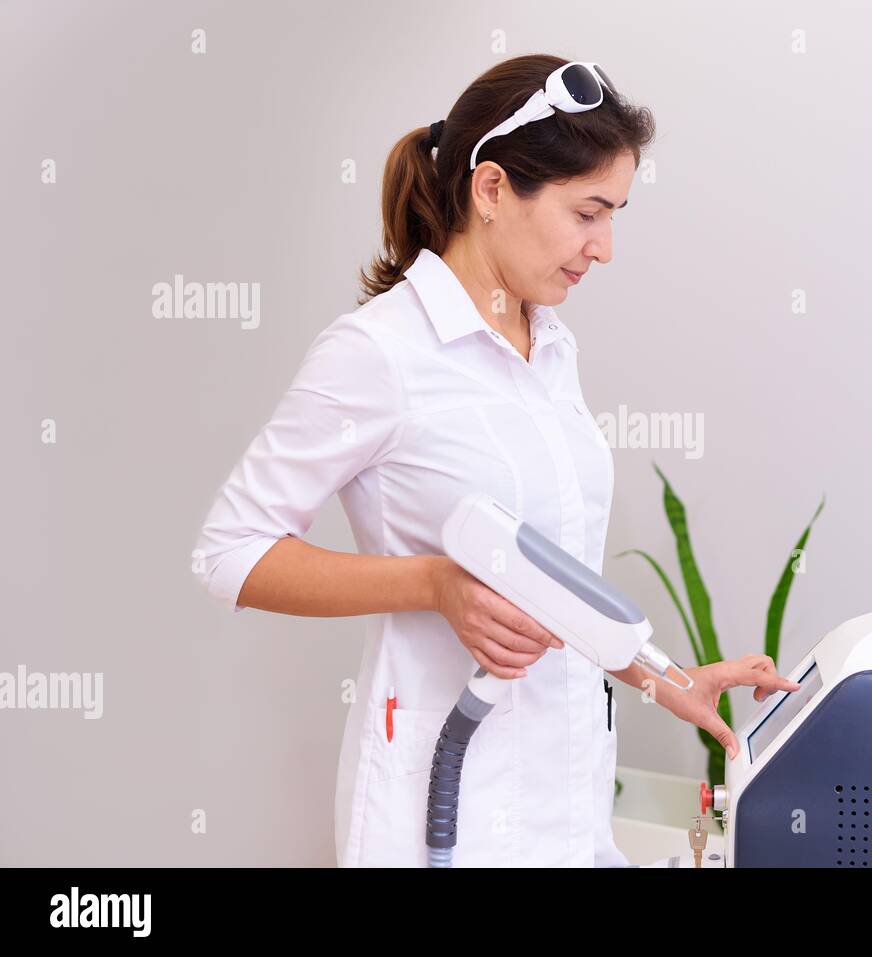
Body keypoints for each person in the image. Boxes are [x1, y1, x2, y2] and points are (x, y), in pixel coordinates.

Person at [193, 54, 797, 867]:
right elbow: (230, 553)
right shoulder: (379, 354)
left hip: (570, 804)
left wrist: (664, 678)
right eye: (588, 212)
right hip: (443, 812)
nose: (605, 247)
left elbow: (550, 580)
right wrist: (434, 584)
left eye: (614, 214)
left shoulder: (551, 348)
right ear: (490, 189)